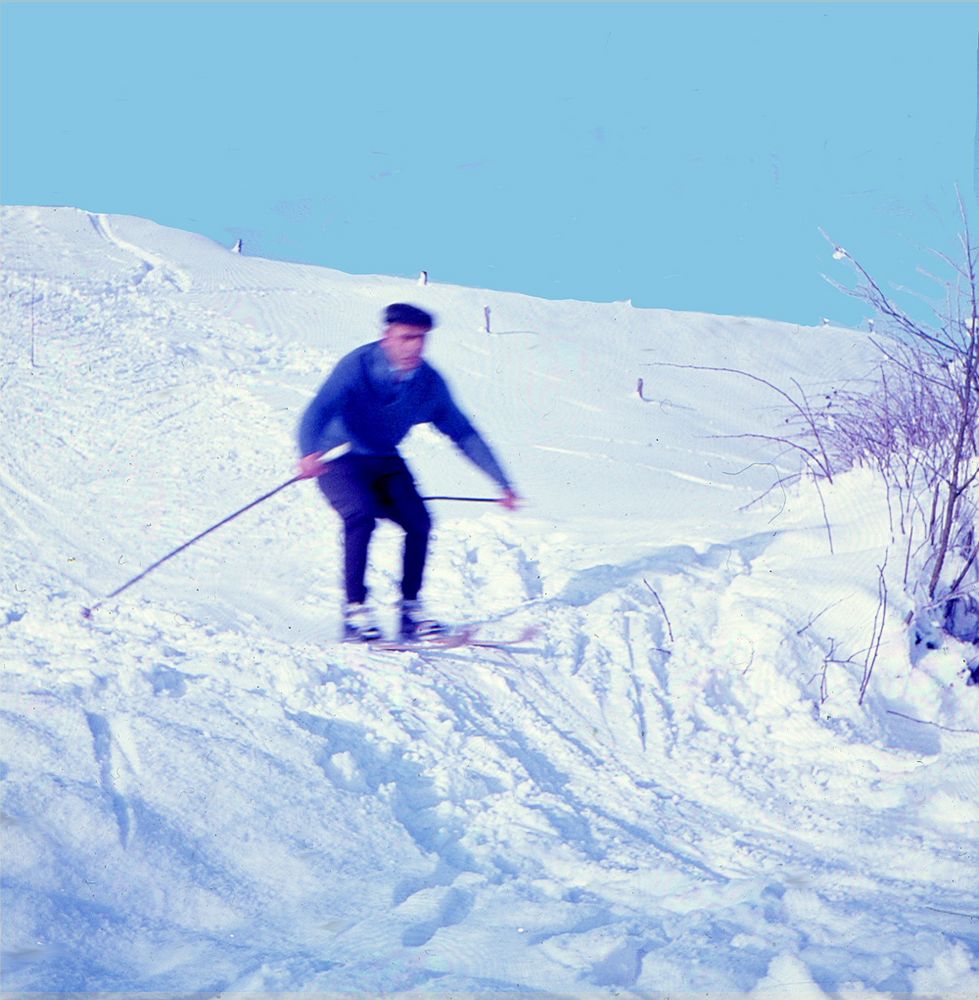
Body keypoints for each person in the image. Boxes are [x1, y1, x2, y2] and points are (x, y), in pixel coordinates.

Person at [297, 303, 519, 642]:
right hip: (340, 457)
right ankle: (355, 613)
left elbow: (463, 432)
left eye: (420, 339)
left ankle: (410, 613)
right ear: (387, 336)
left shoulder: (428, 383)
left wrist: (502, 482)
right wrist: (308, 452)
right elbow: (319, 408)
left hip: (385, 458)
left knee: (420, 522)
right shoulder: (357, 366)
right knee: (360, 514)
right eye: (406, 338)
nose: (413, 346)